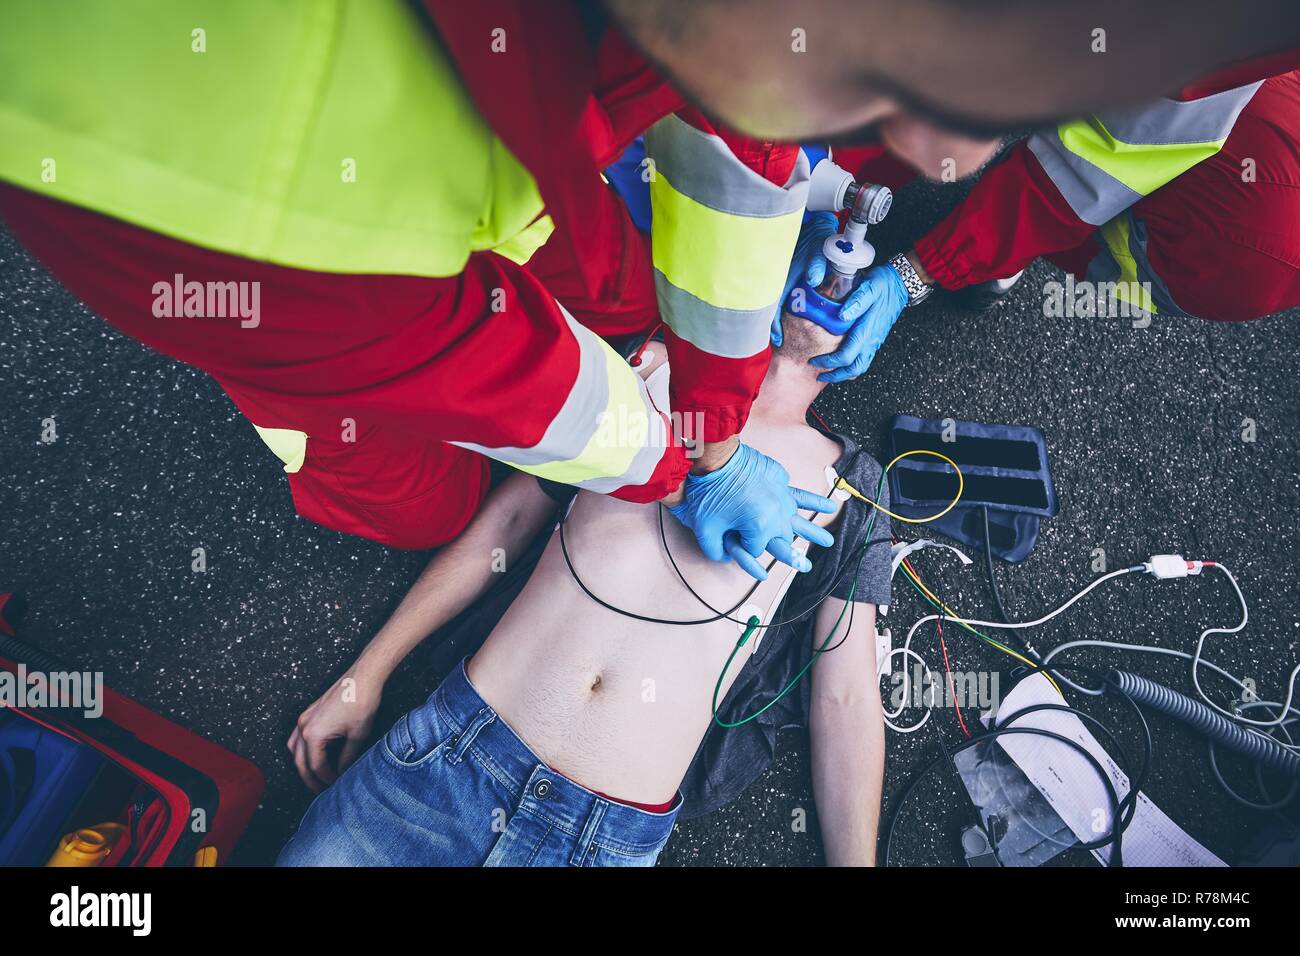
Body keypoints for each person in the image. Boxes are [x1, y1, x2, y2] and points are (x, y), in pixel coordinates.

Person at [278, 313, 892, 866]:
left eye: (858, 275)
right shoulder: (646, 365)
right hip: (449, 761)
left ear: (875, 326)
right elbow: (507, 524)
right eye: (823, 246)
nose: (834, 277)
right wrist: (364, 677)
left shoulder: (856, 490)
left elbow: (846, 699)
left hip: (604, 839)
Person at [781, 62, 1300, 382]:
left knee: (1067, 197)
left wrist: (921, 271)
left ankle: (1003, 248)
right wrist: (825, 181)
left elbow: (1078, 179)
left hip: (1229, 234)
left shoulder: (1250, 243)